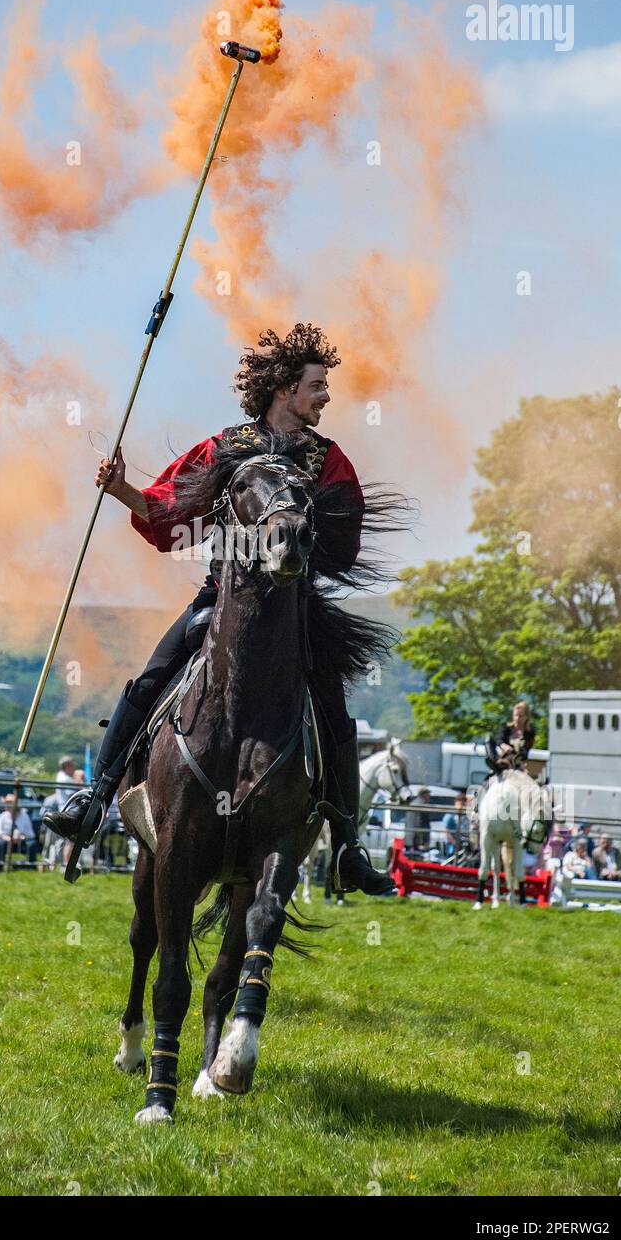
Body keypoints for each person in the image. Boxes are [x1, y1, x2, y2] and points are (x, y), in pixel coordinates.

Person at [43, 324, 395, 895]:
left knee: (333, 706)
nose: (326, 396)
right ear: (284, 387)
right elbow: (169, 517)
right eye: (317, 385)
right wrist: (123, 490)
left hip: (297, 609)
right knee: (152, 678)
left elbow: (345, 540)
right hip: (223, 598)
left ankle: (348, 843)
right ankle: (95, 797)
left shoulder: (328, 459)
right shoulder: (226, 448)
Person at [485, 701, 536, 775]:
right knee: (488, 739)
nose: (517, 718)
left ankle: (503, 764)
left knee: (514, 756)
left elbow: (525, 751)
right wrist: (503, 745)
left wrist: (513, 750)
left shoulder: (530, 733)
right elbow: (499, 739)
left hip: (516, 758)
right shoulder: (506, 727)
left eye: (520, 716)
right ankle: (495, 763)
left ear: (526, 717)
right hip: (502, 754)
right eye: (515, 715)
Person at [0, 796, 38, 869]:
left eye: (9, 803)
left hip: (21, 841)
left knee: (31, 844)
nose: (7, 805)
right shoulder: (2, 816)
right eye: (6, 803)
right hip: (6, 841)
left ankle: (30, 867)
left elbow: (31, 834)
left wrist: (22, 838)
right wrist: (8, 838)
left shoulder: (25, 816)